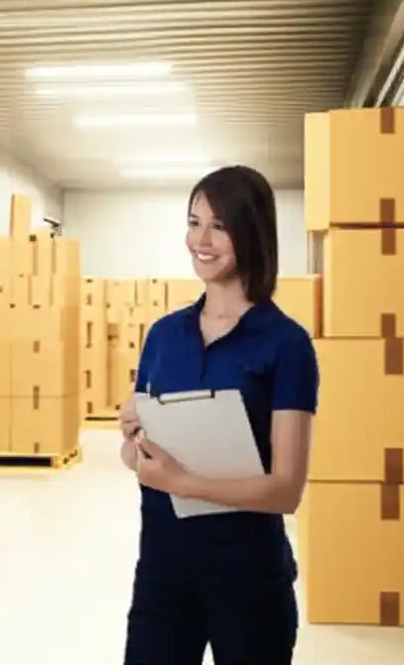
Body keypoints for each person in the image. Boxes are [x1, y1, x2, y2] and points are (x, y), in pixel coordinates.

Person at [118, 165, 319, 665]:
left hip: (249, 579)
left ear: (251, 231)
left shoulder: (286, 345)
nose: (199, 240)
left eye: (218, 226)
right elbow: (137, 461)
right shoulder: (164, 336)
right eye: (193, 222)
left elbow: (286, 489)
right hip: (164, 572)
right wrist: (133, 440)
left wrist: (184, 481)